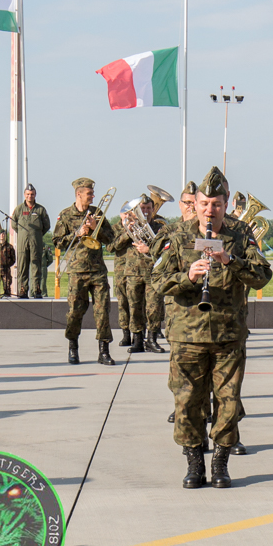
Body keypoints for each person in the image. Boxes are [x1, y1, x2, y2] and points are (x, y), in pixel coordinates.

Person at [152, 167, 271, 490]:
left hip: (228, 335)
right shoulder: (177, 235)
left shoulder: (241, 233)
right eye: (204, 204)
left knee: (228, 403)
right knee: (187, 403)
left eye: (217, 204)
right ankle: (194, 463)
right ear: (196, 202)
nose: (210, 210)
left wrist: (230, 260)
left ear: (225, 202)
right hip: (186, 336)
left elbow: (263, 275)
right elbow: (157, 280)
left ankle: (220, 462)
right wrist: (187, 276)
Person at [53, 178, 116, 366]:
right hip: (77, 272)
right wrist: (77, 234)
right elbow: (57, 241)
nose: (93, 196)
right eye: (89, 193)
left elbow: (111, 239)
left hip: (97, 271)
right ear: (79, 194)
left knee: (103, 311)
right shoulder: (65, 215)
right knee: (75, 312)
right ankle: (73, 348)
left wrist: (96, 228)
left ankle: (103, 351)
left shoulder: (97, 213)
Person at [155, 181, 198, 424]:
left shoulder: (208, 230)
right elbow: (157, 260)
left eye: (195, 203)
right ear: (180, 205)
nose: (192, 208)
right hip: (178, 308)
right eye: (188, 203)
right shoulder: (169, 230)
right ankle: (180, 406)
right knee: (178, 365)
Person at [115, 195, 166, 354]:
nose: (145, 212)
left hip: (153, 273)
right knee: (134, 307)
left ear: (153, 210)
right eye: (142, 209)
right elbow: (114, 245)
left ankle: (151, 339)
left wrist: (148, 250)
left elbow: (166, 250)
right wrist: (127, 231)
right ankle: (137, 340)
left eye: (148, 208)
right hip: (133, 273)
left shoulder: (160, 228)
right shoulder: (129, 227)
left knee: (154, 307)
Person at [11, 184, 52, 299]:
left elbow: (47, 225)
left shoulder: (40, 209)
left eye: (32, 194)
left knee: (36, 267)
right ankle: (23, 290)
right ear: (25, 195)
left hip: (36, 242)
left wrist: (37, 234)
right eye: (28, 194)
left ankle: (37, 290)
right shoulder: (19, 209)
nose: (30, 196)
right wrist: (24, 234)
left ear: (35, 195)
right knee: (22, 267)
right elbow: (14, 224)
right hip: (22, 243)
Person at [109, 215, 133, 346]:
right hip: (121, 270)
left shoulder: (140, 227)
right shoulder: (115, 228)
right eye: (126, 214)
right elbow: (110, 247)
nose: (128, 216)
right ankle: (126, 334)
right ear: (121, 215)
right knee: (123, 303)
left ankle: (138, 334)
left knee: (137, 304)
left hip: (136, 269)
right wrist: (126, 234)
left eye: (131, 214)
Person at [0, 230, 16, 297]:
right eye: (1, 234)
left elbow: (13, 259)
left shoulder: (9, 247)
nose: (2, 235)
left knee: (7, 289)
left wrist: (7, 264)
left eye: (3, 234)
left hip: (6, 270)